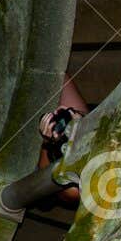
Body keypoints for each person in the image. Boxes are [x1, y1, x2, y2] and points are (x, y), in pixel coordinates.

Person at [37, 75, 87, 207]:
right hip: (89, 137)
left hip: (60, 163)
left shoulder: (75, 191)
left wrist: (48, 143)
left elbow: (43, 177)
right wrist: (79, 120)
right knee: (58, 76)